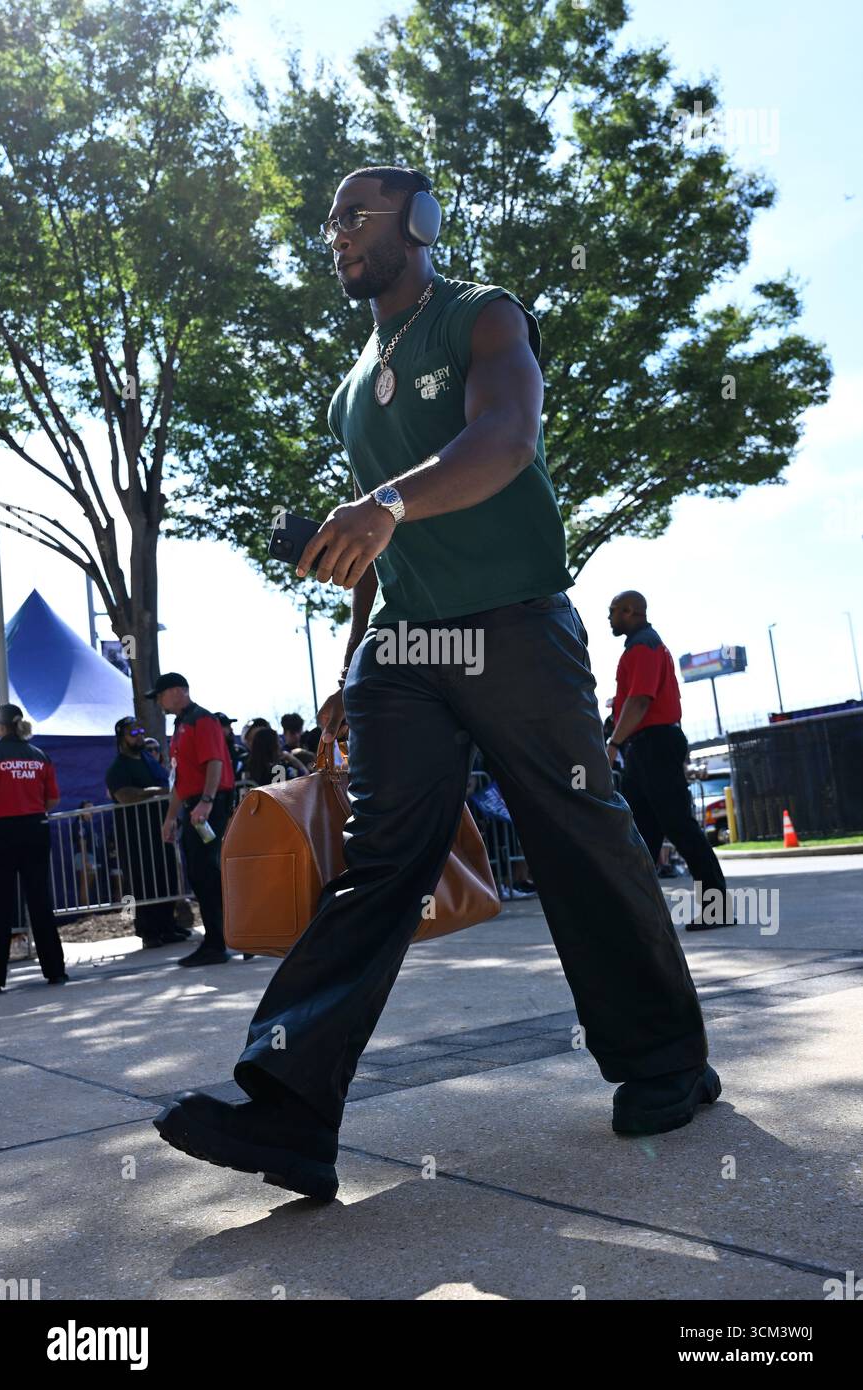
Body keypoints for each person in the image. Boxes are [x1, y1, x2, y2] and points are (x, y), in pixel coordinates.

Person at [155, 164, 718, 1200]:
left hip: (513, 627)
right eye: (327, 220)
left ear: (416, 222)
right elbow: (380, 548)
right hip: (405, 652)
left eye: (352, 214)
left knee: (580, 837)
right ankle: (287, 1106)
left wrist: (384, 506)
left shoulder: (483, 317)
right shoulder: (346, 389)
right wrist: (351, 648)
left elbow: (502, 441)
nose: (334, 233)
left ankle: (665, 1062)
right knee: (375, 865)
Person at [606, 591, 732, 927]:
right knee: (641, 833)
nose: (609, 618)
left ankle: (716, 908)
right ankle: (638, 914)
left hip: (654, 744)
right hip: (644, 746)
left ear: (630, 611)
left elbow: (641, 701)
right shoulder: (642, 646)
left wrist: (614, 743)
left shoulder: (644, 646)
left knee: (678, 826)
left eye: (613, 611)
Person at [150, 673, 234, 967]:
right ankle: (219, 938)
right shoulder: (180, 726)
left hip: (208, 806)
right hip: (194, 807)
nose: (158, 701)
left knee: (209, 873)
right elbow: (179, 778)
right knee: (201, 875)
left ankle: (219, 941)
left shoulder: (202, 719)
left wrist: (207, 802)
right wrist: (171, 817)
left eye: (159, 695)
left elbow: (214, 761)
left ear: (176, 692)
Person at [0, 703, 68, 990]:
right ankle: (55, 971)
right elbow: (52, 800)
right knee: (40, 901)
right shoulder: (40, 755)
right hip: (37, 828)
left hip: (2, 831)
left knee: (1, 904)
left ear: (1, 727)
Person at [105, 717, 188, 947]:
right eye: (133, 732)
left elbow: (168, 784)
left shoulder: (148, 760)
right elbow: (124, 795)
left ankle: (167, 926)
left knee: (166, 875)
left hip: (160, 830)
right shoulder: (118, 767)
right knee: (142, 881)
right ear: (122, 737)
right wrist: (154, 792)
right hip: (135, 836)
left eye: (141, 730)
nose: (139, 736)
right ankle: (148, 931)